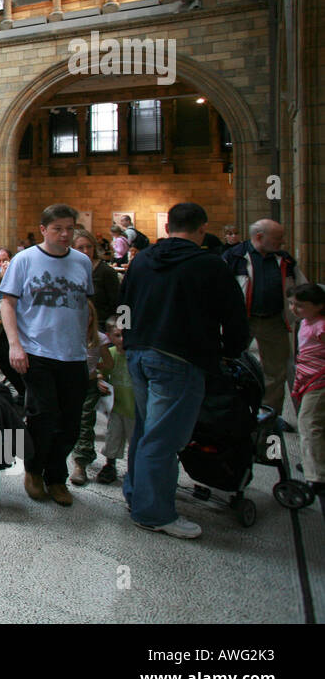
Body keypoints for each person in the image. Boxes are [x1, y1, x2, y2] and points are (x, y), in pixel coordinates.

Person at [119, 202, 250, 539]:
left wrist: (129, 340)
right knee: (164, 438)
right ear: (202, 229)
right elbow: (234, 317)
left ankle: (137, 494)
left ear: (168, 228)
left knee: (147, 430)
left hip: (139, 354)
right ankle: (154, 512)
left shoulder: (143, 259)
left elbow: (124, 304)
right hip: (180, 359)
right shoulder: (209, 265)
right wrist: (231, 352)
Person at [0, 203, 94, 508]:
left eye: (69, 228)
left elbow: (86, 306)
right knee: (43, 417)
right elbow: (8, 305)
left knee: (70, 422)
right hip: (37, 352)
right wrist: (15, 345)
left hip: (74, 354)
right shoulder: (25, 260)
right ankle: (34, 470)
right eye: (58, 229)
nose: (65, 234)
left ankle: (57, 476)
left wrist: (96, 344)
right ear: (43, 230)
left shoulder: (82, 262)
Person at [222, 219, 309, 415]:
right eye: (278, 238)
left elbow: (301, 287)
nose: (283, 241)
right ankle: (236, 411)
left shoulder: (284, 259)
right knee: (232, 365)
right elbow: (219, 289)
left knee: (276, 372)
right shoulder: (234, 257)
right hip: (242, 321)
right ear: (260, 237)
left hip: (274, 321)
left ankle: (270, 413)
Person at [288, 284, 325, 493]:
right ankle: (315, 462)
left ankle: (317, 476)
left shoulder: (321, 326)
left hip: (319, 380)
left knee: (308, 423)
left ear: (319, 306)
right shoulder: (305, 321)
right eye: (291, 303)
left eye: (300, 305)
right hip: (308, 378)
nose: (293, 308)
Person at [70, 302, 112, 486]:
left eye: (88, 315)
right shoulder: (69, 336)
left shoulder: (100, 339)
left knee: (85, 421)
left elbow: (109, 362)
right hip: (70, 382)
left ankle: (80, 463)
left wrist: (98, 371)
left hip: (89, 383)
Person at [90, 319, 134, 485]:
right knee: (113, 437)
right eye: (117, 335)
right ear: (109, 337)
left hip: (134, 410)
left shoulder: (135, 356)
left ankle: (134, 469)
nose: (122, 339)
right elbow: (102, 372)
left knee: (134, 441)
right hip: (116, 408)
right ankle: (110, 465)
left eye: (125, 335)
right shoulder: (111, 353)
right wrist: (100, 380)